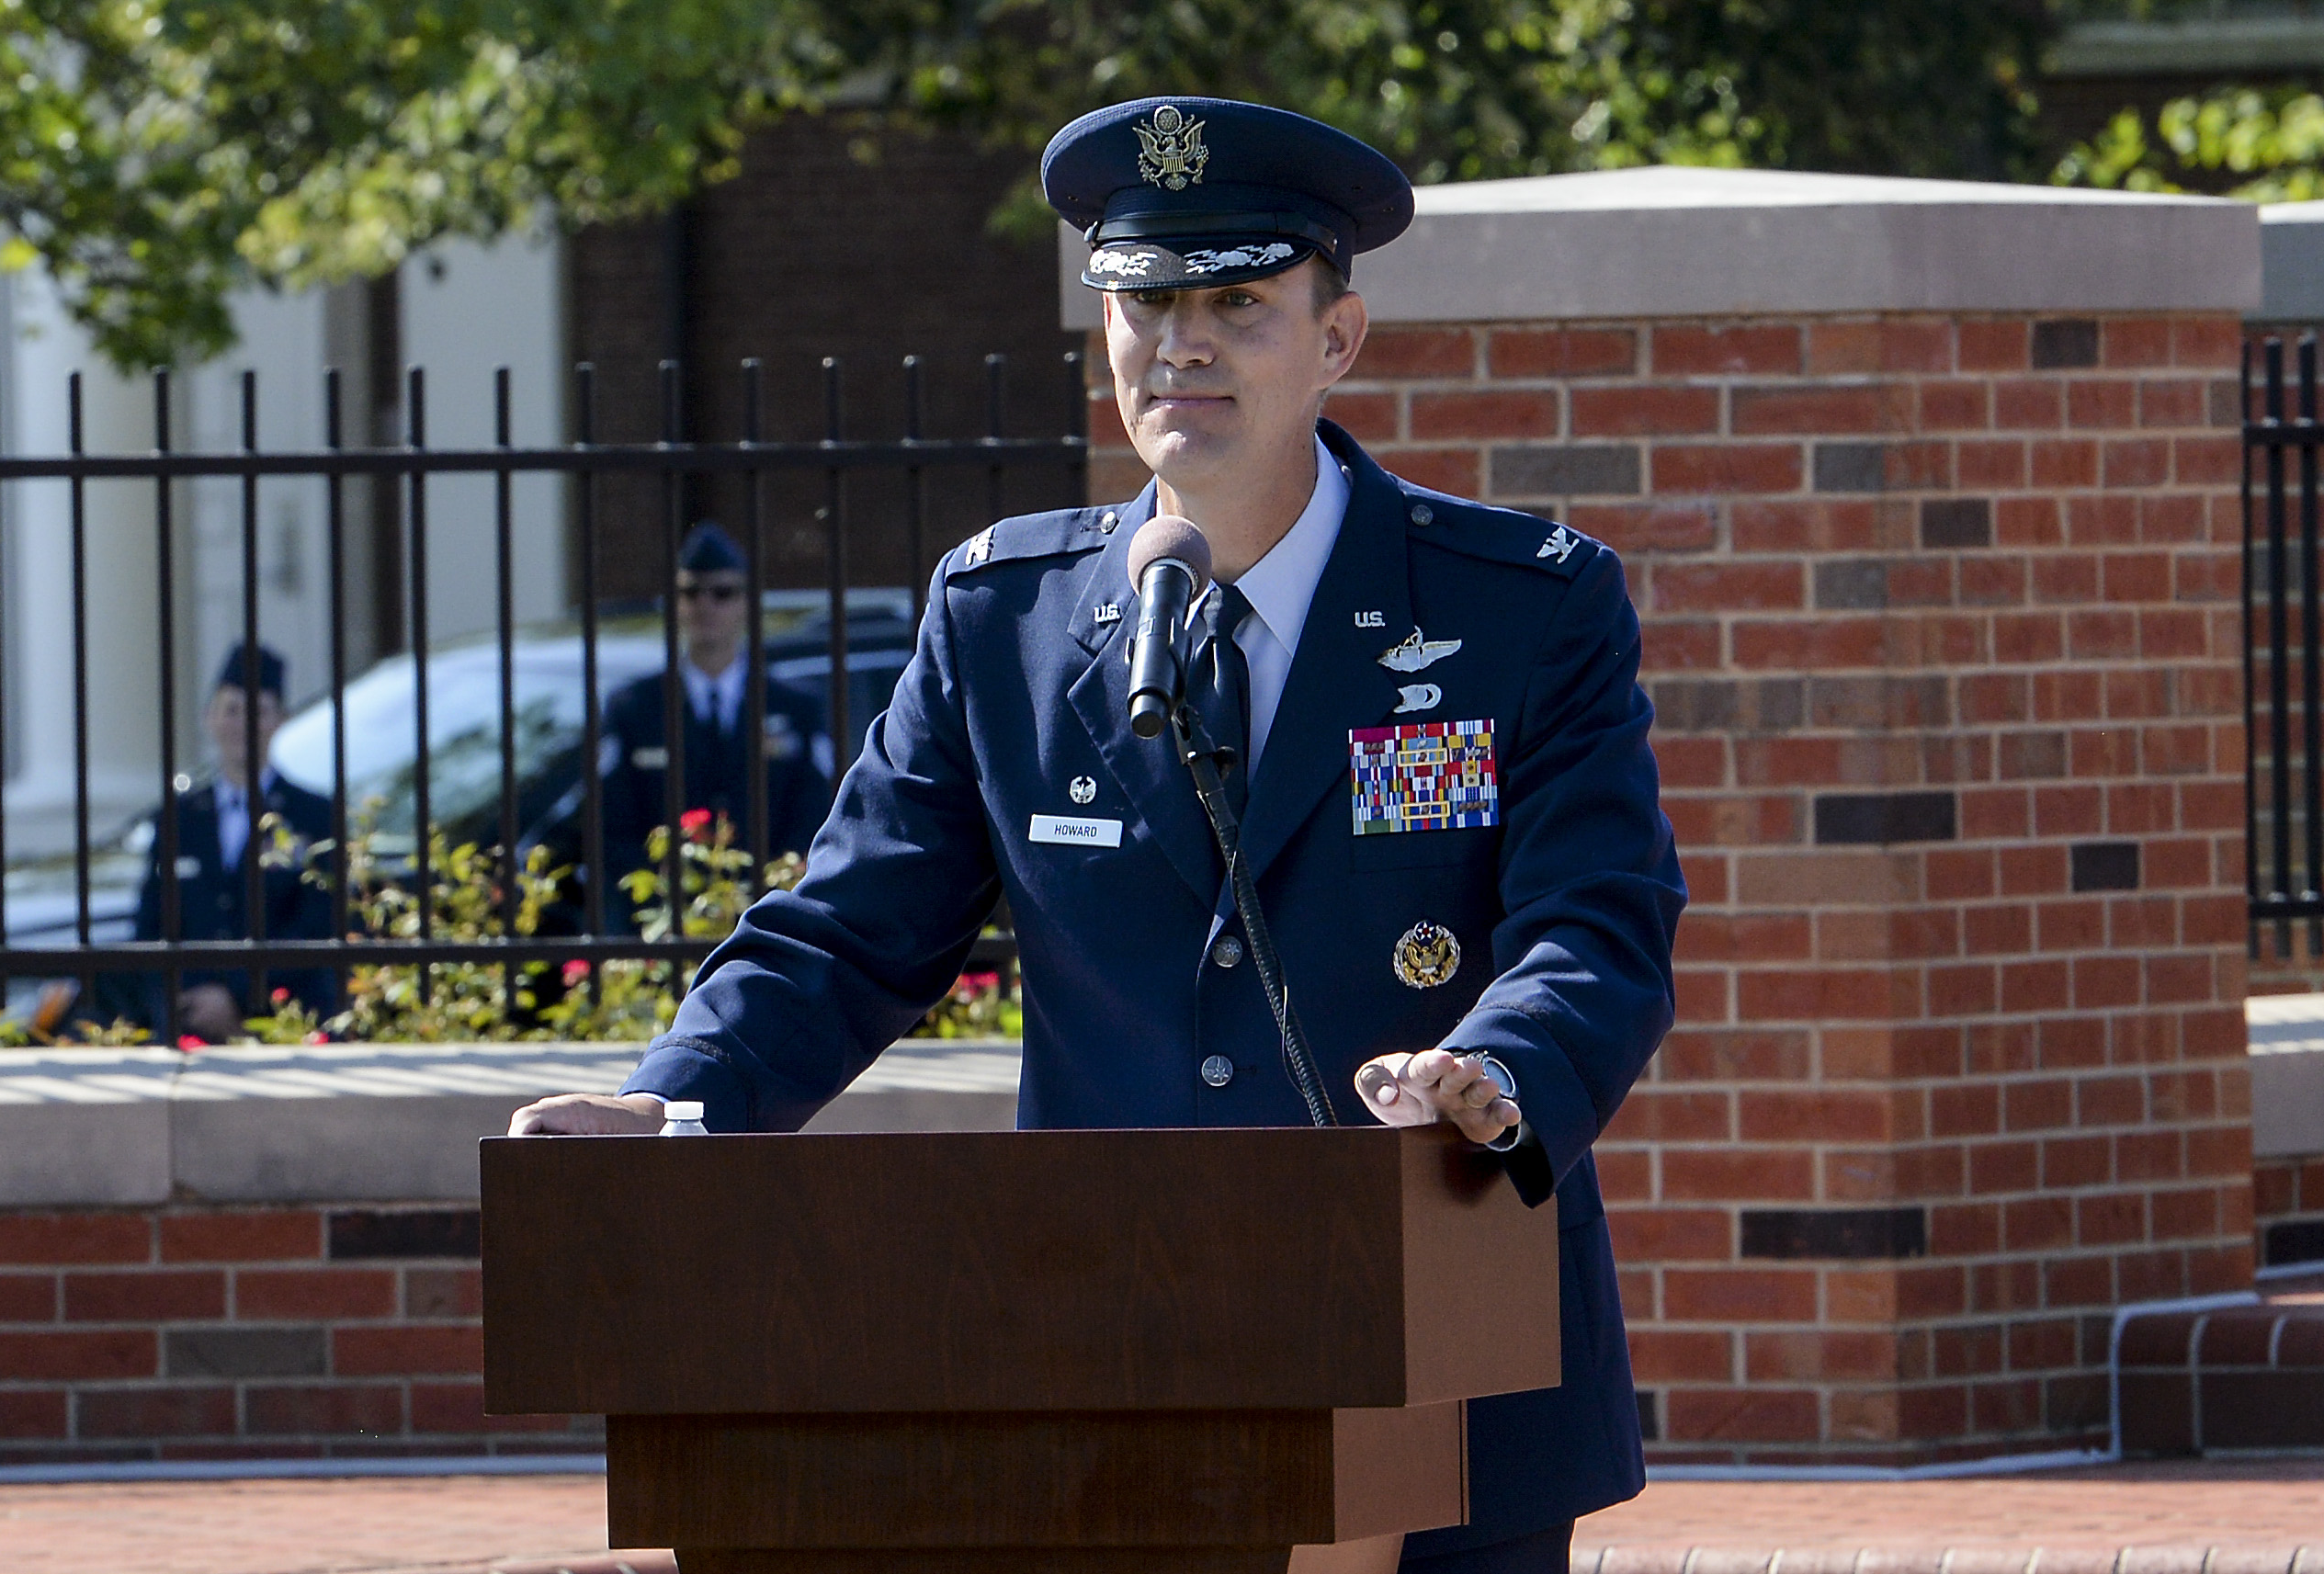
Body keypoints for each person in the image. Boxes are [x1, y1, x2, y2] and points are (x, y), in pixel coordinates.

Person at [512, 96, 1683, 1573]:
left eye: (1238, 302)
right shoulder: (1007, 620)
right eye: (1144, 301)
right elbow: (850, 929)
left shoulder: (1520, 607)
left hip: (1443, 1360)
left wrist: (1492, 1070)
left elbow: (1598, 922)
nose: (1180, 343)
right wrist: (675, 1106)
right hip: (1117, 1365)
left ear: (1337, 339)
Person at [595, 520, 833, 929]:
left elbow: (817, 815)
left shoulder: (796, 708)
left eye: (722, 593)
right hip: (664, 922)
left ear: (746, 603)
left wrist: (779, 893)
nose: (705, 606)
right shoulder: (635, 708)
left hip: (768, 919)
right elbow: (610, 823)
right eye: (690, 592)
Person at [116, 643, 339, 1041]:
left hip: (283, 1020)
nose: (242, 724)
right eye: (231, 710)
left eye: (258, 712)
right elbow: (151, 923)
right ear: (209, 719)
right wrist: (189, 998)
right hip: (185, 1021)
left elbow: (320, 923)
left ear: (280, 720)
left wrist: (234, 996)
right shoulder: (179, 817)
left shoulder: (315, 816)